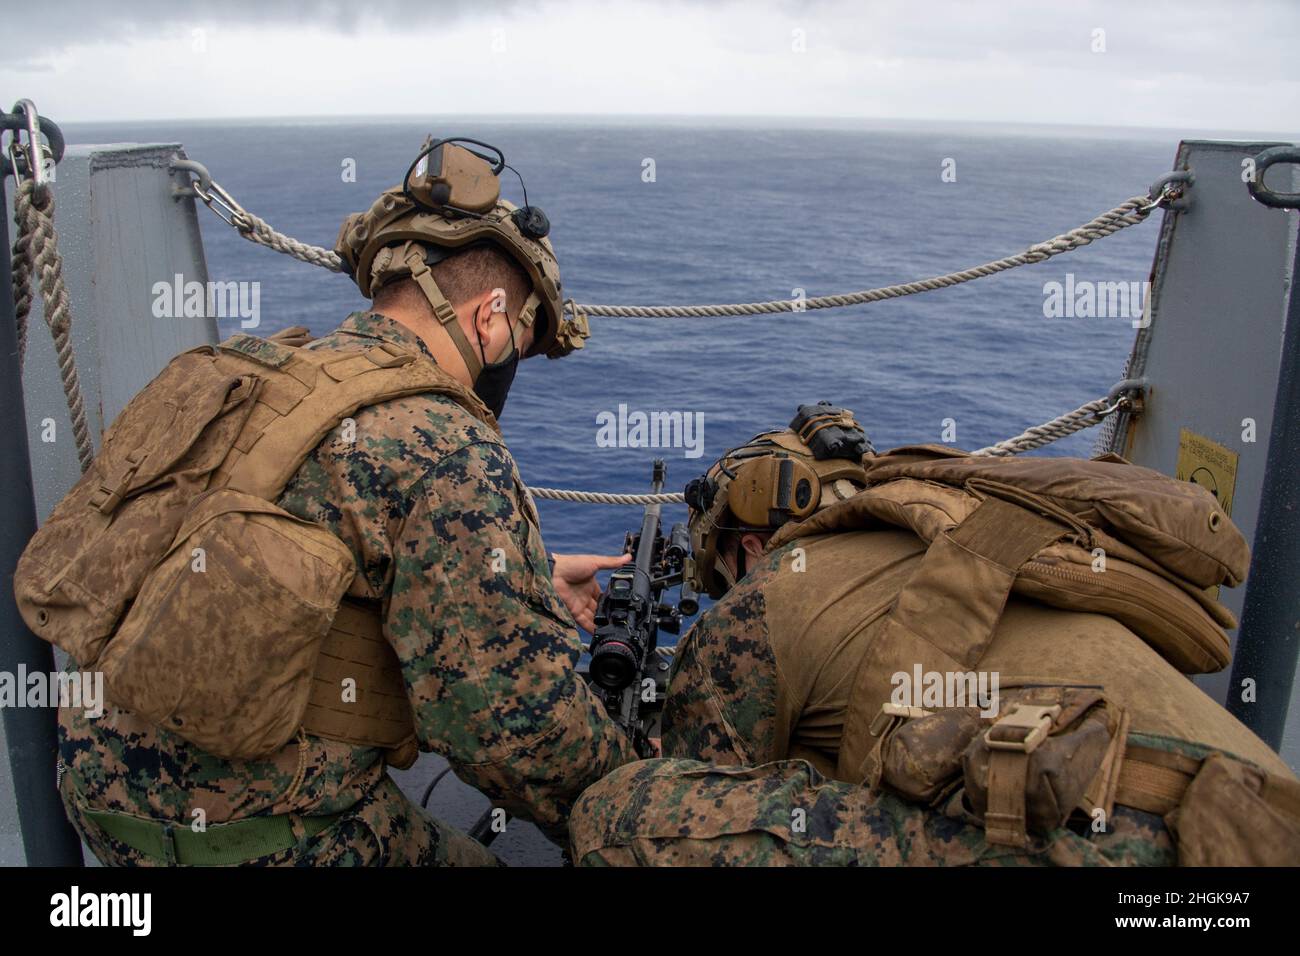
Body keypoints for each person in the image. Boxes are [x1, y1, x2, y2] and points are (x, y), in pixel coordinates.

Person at [46, 138, 637, 865]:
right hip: (257, 841)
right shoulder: (449, 444)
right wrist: (640, 798)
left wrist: (522, 579)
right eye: (520, 335)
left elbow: (273, 559)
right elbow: (508, 730)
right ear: (490, 318)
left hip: (96, 800)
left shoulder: (254, 376)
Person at [569, 404, 1300, 866]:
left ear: (752, 551)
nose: (726, 596)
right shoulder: (959, 523)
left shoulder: (762, 601)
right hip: (1255, 818)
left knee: (619, 815)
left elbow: (713, 792)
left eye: (723, 574)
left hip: (1113, 847)